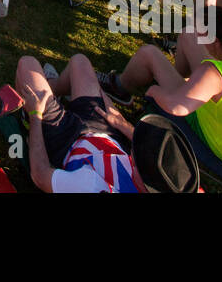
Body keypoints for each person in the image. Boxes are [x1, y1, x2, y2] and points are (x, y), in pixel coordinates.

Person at [98, 8, 222, 171]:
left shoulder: (214, 74)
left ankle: (119, 88)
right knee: (188, 35)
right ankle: (183, 81)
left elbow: (176, 107)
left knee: (149, 53)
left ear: (215, 43)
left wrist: (155, 91)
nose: (200, 38)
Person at [16, 53, 139, 193]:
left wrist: (35, 116)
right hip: (107, 134)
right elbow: (145, 145)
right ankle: (52, 88)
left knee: (27, 65)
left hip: (67, 145)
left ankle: (29, 115)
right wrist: (122, 123)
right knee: (80, 62)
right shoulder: (159, 176)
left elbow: (40, 175)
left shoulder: (94, 188)